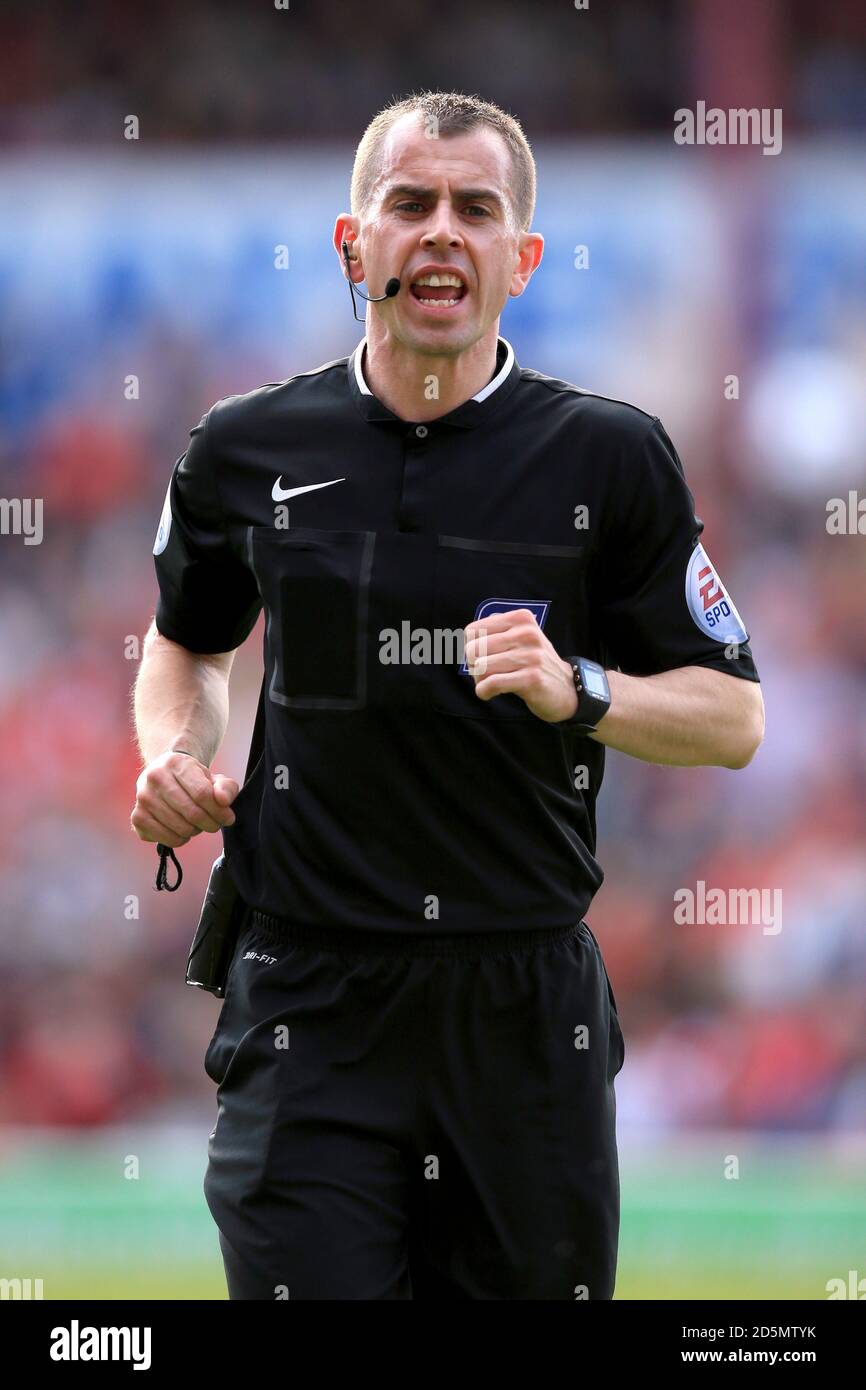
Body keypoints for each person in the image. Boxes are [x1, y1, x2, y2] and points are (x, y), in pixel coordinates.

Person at [131, 90, 764, 1300]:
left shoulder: (607, 456)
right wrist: (171, 751)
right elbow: (186, 644)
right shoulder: (244, 447)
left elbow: (732, 715)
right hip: (309, 1004)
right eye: (408, 203)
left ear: (519, 260)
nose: (440, 233)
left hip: (522, 1016)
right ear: (350, 242)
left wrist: (576, 687)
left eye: (475, 210)